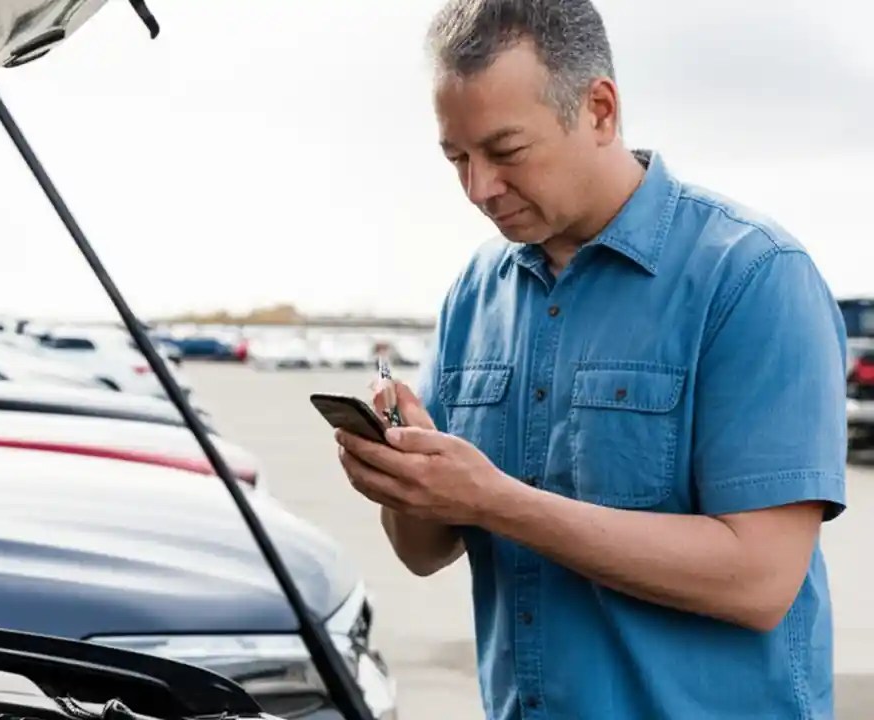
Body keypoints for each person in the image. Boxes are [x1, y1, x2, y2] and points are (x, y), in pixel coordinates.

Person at [333, 0, 847, 717]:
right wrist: (406, 480)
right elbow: (423, 553)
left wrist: (496, 500)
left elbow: (759, 581)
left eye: (506, 151)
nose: (479, 188)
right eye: (457, 158)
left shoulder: (752, 277)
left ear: (599, 109)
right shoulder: (476, 292)